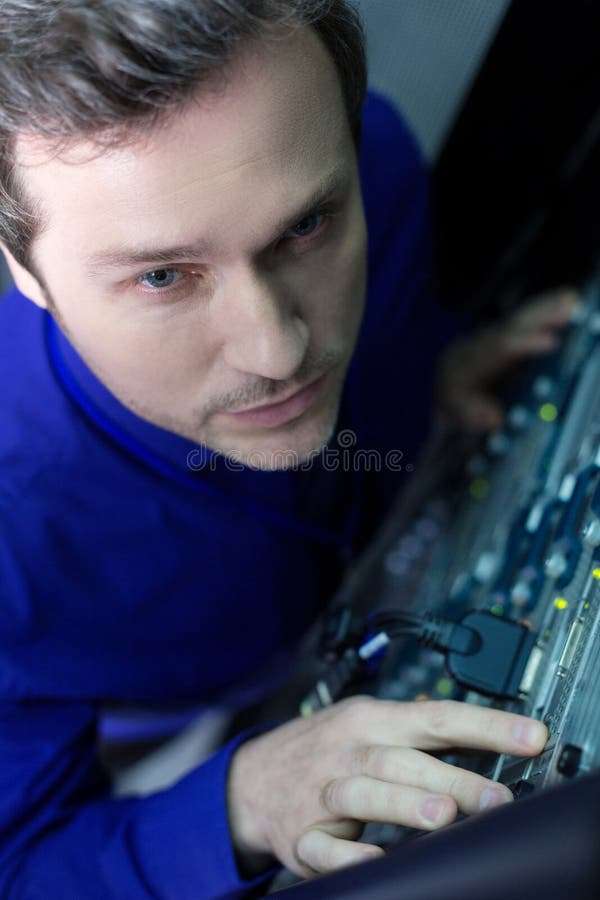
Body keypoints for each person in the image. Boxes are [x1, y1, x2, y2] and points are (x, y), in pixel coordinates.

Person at [0, 1, 575, 897]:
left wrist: (421, 383)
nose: (280, 352)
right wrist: (245, 799)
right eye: (162, 276)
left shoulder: (378, 169)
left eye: (304, 230)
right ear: (23, 269)